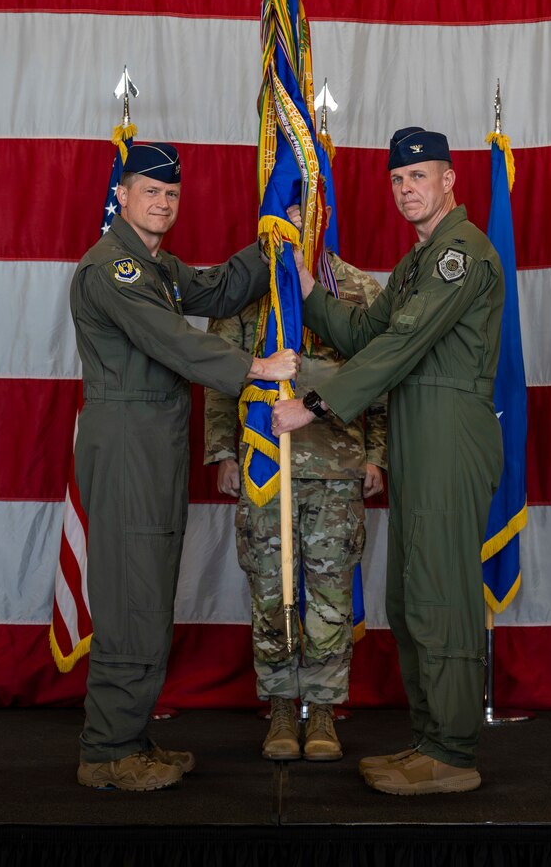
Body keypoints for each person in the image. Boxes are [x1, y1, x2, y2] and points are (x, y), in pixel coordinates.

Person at [272, 127, 503, 795]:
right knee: (410, 596)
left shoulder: (460, 253)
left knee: (442, 595)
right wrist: (309, 288)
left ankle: (453, 752)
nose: (406, 190)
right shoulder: (418, 260)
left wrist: (314, 405)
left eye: (419, 177)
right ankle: (429, 739)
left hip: (451, 432)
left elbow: (400, 344)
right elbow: (363, 333)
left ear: (449, 180)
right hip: (419, 432)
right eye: (397, 180)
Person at [70, 142, 299, 791]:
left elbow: (218, 290)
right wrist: (255, 368)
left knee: (147, 593)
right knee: (130, 598)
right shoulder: (112, 269)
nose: (163, 202)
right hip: (127, 446)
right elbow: (169, 339)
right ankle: (107, 752)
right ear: (121, 196)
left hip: (153, 445)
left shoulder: (157, 266)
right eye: (150, 191)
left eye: (171, 194)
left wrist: (274, 238)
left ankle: (130, 737)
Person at [203, 251, 387, 762]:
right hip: (265, 469)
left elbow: (379, 376)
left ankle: (323, 709)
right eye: (286, 211)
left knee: (330, 597)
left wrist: (376, 456)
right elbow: (221, 376)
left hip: (337, 468)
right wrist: (223, 451)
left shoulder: (357, 288)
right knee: (270, 590)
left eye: (305, 210)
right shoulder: (245, 288)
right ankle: (282, 706)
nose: (296, 217)